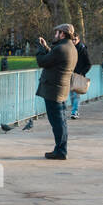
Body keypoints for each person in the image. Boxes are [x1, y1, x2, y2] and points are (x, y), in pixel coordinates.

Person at [35, 24, 76, 160]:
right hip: (61, 89)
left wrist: (41, 49)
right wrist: (47, 47)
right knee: (61, 121)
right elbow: (54, 58)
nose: (55, 35)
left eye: (57, 33)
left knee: (57, 122)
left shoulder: (61, 49)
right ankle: (60, 149)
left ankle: (61, 151)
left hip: (53, 90)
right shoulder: (70, 48)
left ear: (62, 34)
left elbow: (42, 61)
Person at [69, 34, 91, 119]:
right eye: (72, 40)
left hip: (78, 75)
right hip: (69, 74)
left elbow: (88, 64)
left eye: (75, 39)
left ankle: (75, 111)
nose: (73, 41)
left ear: (78, 40)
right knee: (71, 95)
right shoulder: (69, 48)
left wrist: (82, 72)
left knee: (76, 95)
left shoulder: (82, 49)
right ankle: (74, 110)